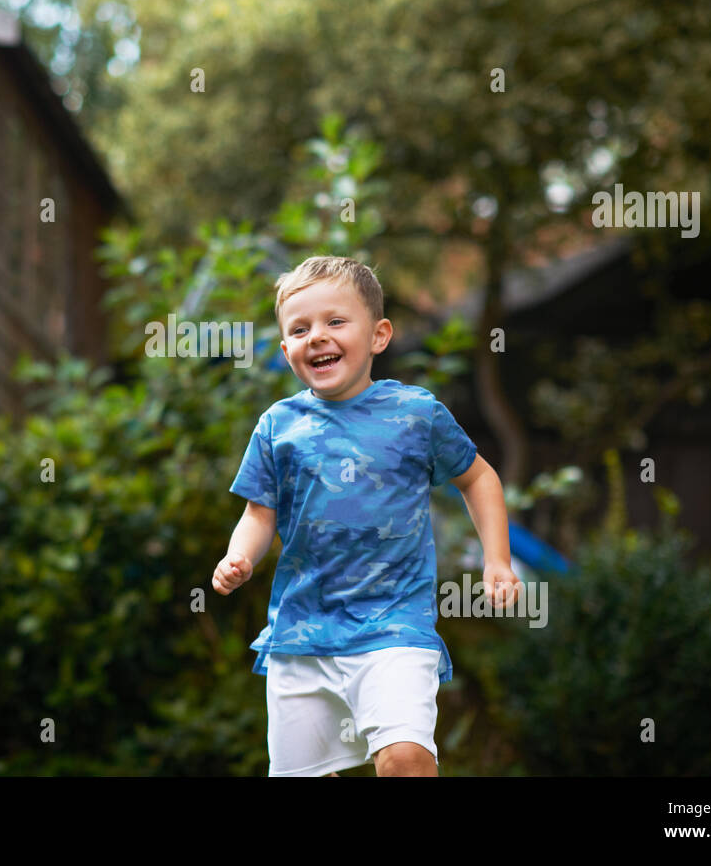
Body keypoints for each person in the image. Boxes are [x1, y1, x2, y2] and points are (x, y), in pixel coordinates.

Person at [212, 255, 520, 776]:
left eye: (335, 322)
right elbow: (259, 513)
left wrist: (498, 561)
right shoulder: (277, 426)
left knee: (404, 758)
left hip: (394, 624)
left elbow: (479, 478)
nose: (317, 337)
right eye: (300, 329)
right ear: (286, 349)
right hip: (302, 632)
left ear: (378, 335)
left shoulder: (416, 414)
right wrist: (238, 556)